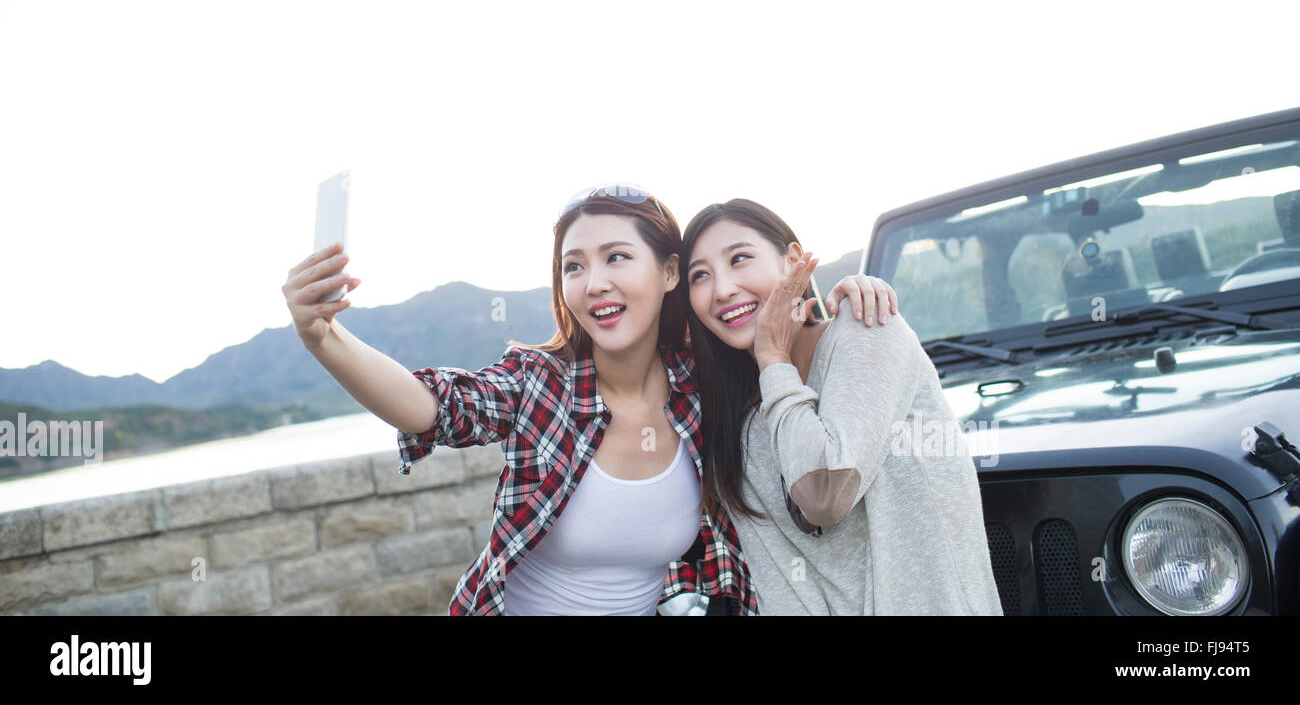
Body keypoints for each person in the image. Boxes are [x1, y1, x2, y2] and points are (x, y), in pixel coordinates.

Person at [281, 185, 894, 615]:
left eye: (617, 257)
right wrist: (323, 337)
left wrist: (842, 296)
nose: (594, 281)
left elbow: (776, 340)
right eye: (574, 266)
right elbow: (434, 405)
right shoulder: (539, 384)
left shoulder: (703, 388)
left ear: (671, 273)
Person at [682, 198, 1003, 615]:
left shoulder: (867, 328)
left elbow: (825, 492)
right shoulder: (740, 426)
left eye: (739, 258)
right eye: (700, 276)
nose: (722, 289)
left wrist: (773, 361)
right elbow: (782, 587)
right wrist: (771, 367)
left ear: (793, 260)